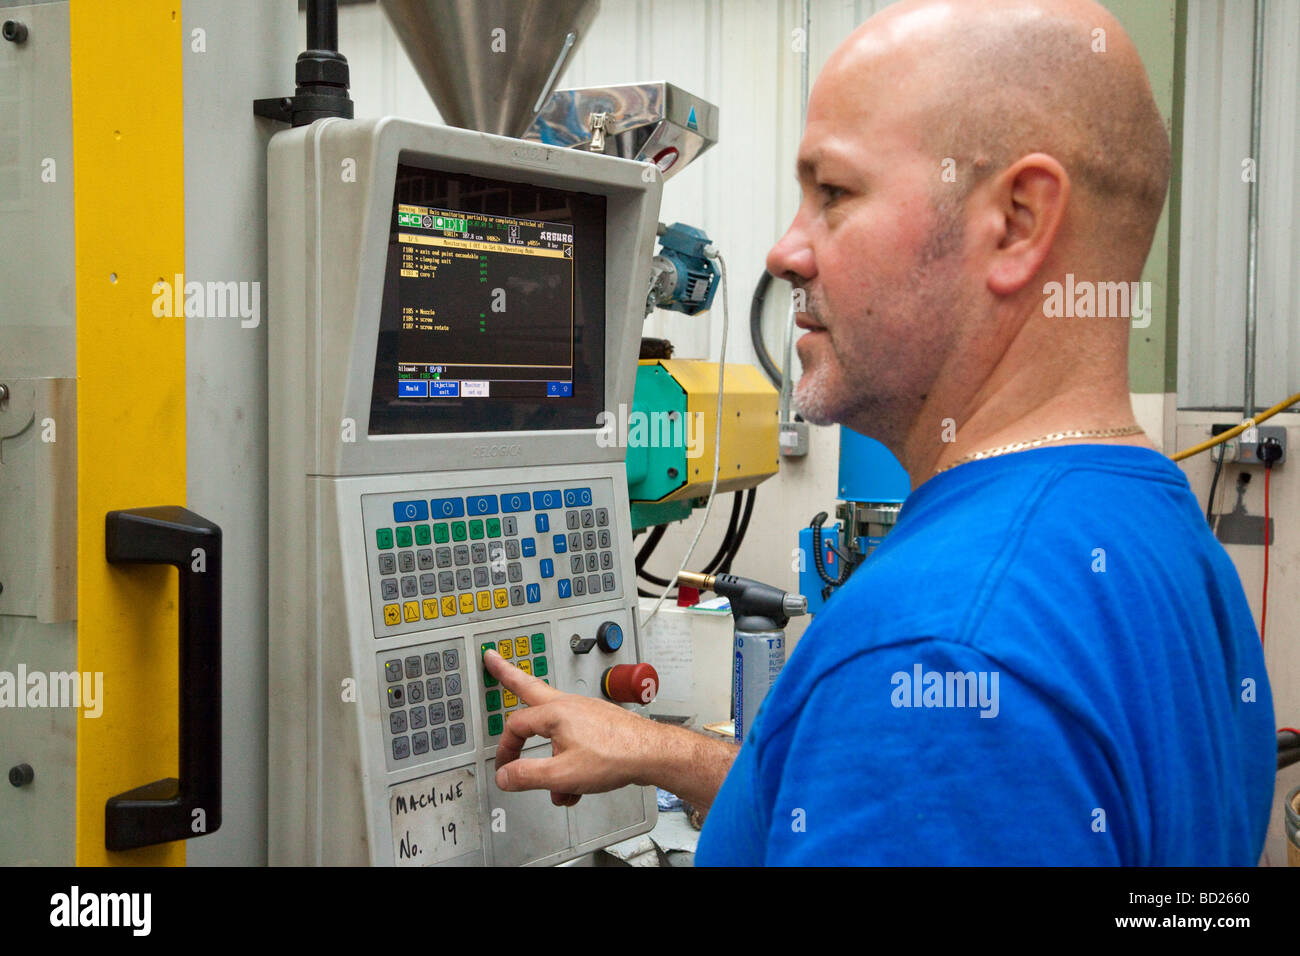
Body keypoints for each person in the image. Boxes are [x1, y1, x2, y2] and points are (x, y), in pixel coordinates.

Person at [483, 0, 1276, 864]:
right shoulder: (1161, 535)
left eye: (835, 194)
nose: (785, 251)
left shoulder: (937, 649)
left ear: (1016, 221)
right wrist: (671, 754)